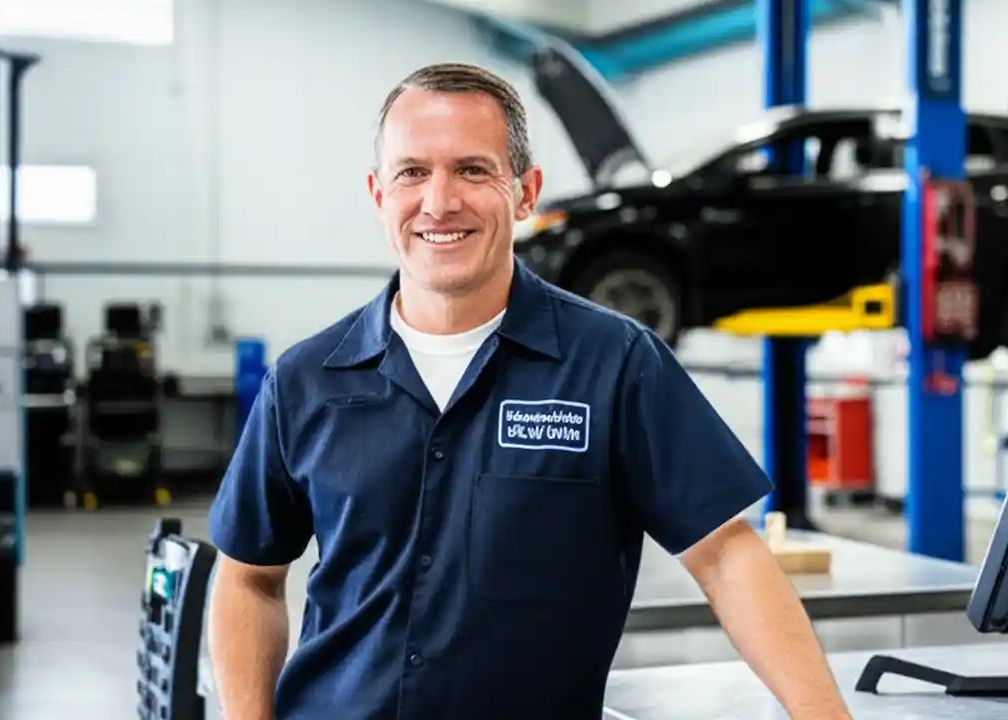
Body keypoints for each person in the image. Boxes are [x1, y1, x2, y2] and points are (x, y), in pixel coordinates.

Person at [206, 61, 854, 720]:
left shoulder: (615, 365)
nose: (439, 202)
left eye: (472, 169)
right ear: (378, 194)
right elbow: (249, 580)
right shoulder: (307, 381)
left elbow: (725, 557)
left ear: (525, 193)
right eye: (412, 172)